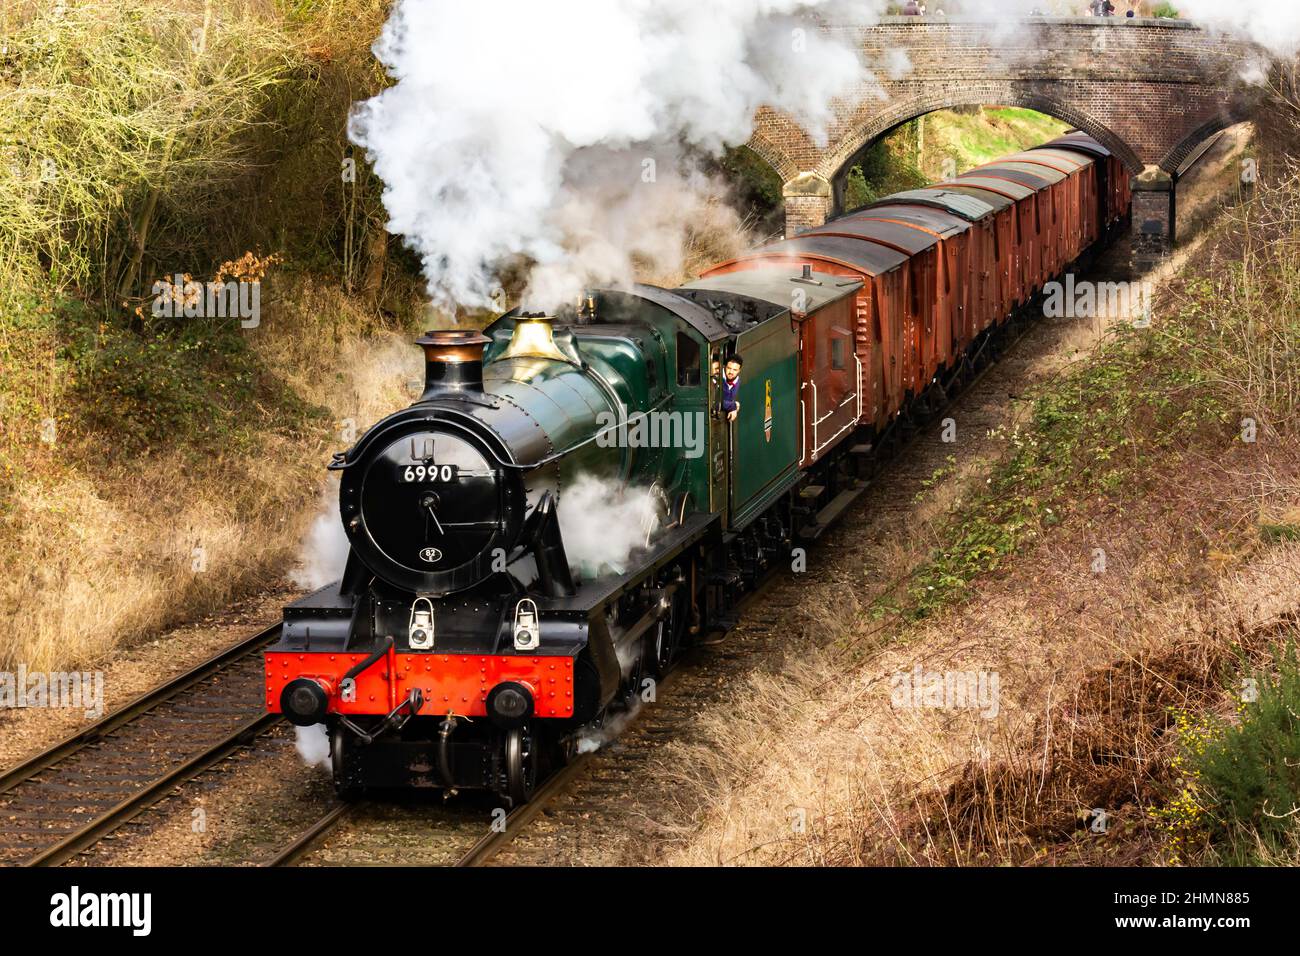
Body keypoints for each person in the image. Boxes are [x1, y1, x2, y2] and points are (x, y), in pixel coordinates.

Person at [721, 354, 743, 422]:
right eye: (729, 368)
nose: (731, 372)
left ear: (739, 370)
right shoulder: (717, 379)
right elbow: (716, 403)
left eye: (735, 370)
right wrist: (735, 405)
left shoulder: (737, 381)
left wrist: (733, 409)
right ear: (724, 367)